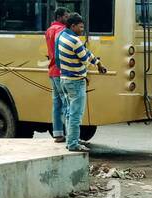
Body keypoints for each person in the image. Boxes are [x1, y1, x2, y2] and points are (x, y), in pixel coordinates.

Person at [56, 13, 108, 152]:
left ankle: (71, 139)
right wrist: (95, 64)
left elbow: (85, 52)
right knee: (76, 114)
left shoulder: (62, 36)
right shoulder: (74, 40)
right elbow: (85, 58)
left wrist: (98, 63)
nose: (82, 29)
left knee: (68, 112)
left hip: (64, 79)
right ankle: (73, 144)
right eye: (80, 26)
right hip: (75, 81)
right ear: (73, 26)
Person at [45, 7, 70, 143]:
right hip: (60, 71)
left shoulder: (49, 30)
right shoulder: (60, 31)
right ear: (60, 17)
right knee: (66, 104)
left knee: (57, 104)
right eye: (66, 16)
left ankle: (58, 133)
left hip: (52, 70)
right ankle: (70, 135)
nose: (68, 19)